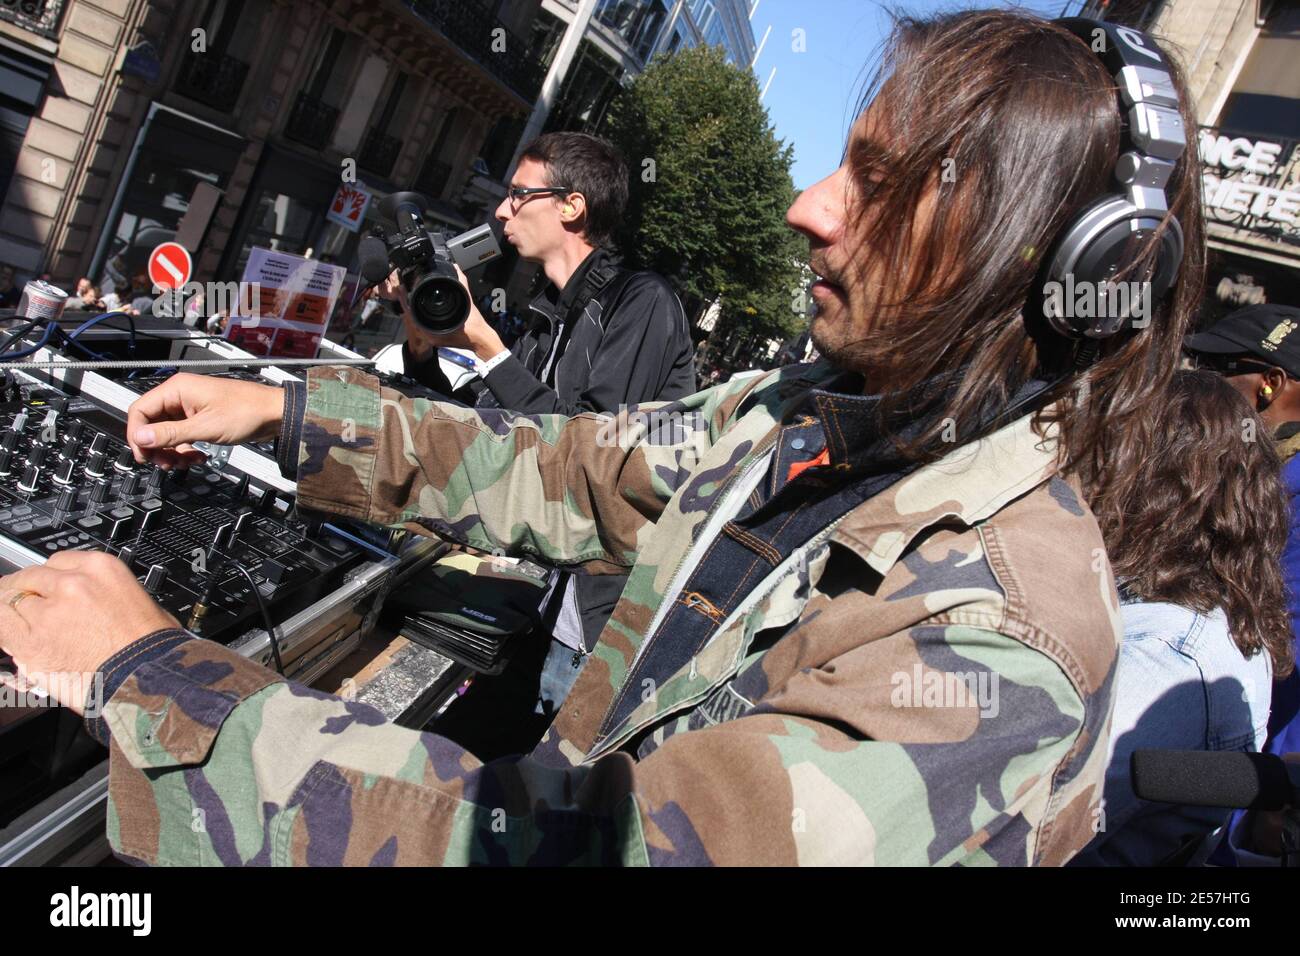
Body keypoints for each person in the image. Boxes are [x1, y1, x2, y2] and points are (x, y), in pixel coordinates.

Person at [0, 11, 1205, 866]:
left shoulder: (996, 643)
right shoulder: (807, 421)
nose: (810, 208)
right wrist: (295, 411)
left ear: (1063, 265)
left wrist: (149, 677)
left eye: (880, 183)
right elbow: (570, 464)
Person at [382, 132, 697, 744]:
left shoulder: (642, 303)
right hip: (536, 601)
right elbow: (493, 433)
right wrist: (421, 346)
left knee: (530, 792)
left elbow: (587, 461)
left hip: (594, 627)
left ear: (571, 206)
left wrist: (488, 347)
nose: (502, 211)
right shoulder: (549, 311)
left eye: (517, 194)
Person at [1069, 369, 1292, 866]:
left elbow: (1014, 817)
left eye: (1101, 453)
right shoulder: (1209, 605)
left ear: (1150, 483)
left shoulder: (1169, 659)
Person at [1184, 303, 1300, 861]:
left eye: (1216, 367)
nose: (1198, 380)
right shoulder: (1265, 471)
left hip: (1263, 779)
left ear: (1268, 384)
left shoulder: (1283, 489)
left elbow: (1275, 641)